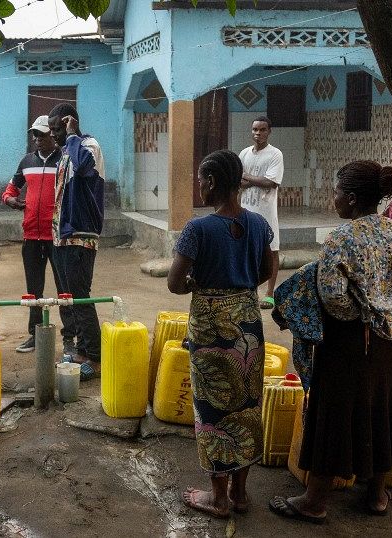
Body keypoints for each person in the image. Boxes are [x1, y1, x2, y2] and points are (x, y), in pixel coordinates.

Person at [268, 161, 392, 524]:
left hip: (351, 341)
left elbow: (333, 298)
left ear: (350, 198)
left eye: (335, 192)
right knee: (382, 407)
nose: (333, 199)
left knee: (334, 412)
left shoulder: (341, 238)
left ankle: (314, 501)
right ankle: (376, 495)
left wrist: (358, 312)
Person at [167, 150, 276, 519]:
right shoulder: (260, 225)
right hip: (247, 322)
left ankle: (218, 498)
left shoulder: (198, 229)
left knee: (212, 408)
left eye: (201, 180)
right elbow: (264, 270)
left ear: (212, 181)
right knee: (245, 404)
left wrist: (200, 286)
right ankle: (241, 493)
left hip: (211, 326)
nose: (199, 186)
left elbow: (173, 282)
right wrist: (240, 287)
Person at [48, 102, 104, 380]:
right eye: (53, 129)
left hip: (82, 234)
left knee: (82, 298)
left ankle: (94, 357)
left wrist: (71, 136)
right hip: (63, 236)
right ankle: (82, 350)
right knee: (70, 298)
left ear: (71, 123)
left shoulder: (87, 145)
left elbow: (83, 168)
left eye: (58, 128)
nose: (53, 135)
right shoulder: (66, 151)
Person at [1, 115, 67, 353]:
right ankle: (35, 335)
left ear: (53, 135)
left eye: (41, 134)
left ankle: (69, 338)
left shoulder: (64, 159)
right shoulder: (26, 161)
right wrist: (10, 200)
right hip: (31, 236)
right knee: (33, 290)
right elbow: (10, 188)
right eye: (34, 134)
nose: (37, 139)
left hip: (58, 236)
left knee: (64, 289)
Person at [238, 116, 284, 310]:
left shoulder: (275, 154)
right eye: (255, 129)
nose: (258, 133)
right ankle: (249, 291)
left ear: (269, 131)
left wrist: (247, 176)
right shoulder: (244, 153)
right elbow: (237, 180)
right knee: (246, 251)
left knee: (271, 251)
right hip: (246, 210)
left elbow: (270, 182)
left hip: (266, 212)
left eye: (262, 130)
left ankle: (270, 293)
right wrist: (256, 179)